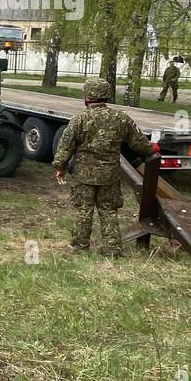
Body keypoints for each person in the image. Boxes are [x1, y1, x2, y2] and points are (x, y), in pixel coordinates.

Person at [52, 78, 155, 257]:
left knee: (84, 210)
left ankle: (80, 248)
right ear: (107, 95)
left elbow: (65, 146)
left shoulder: (79, 119)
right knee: (109, 211)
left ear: (87, 96)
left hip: (84, 175)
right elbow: (140, 143)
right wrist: (151, 150)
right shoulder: (121, 118)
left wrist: (59, 166)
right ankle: (113, 250)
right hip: (110, 175)